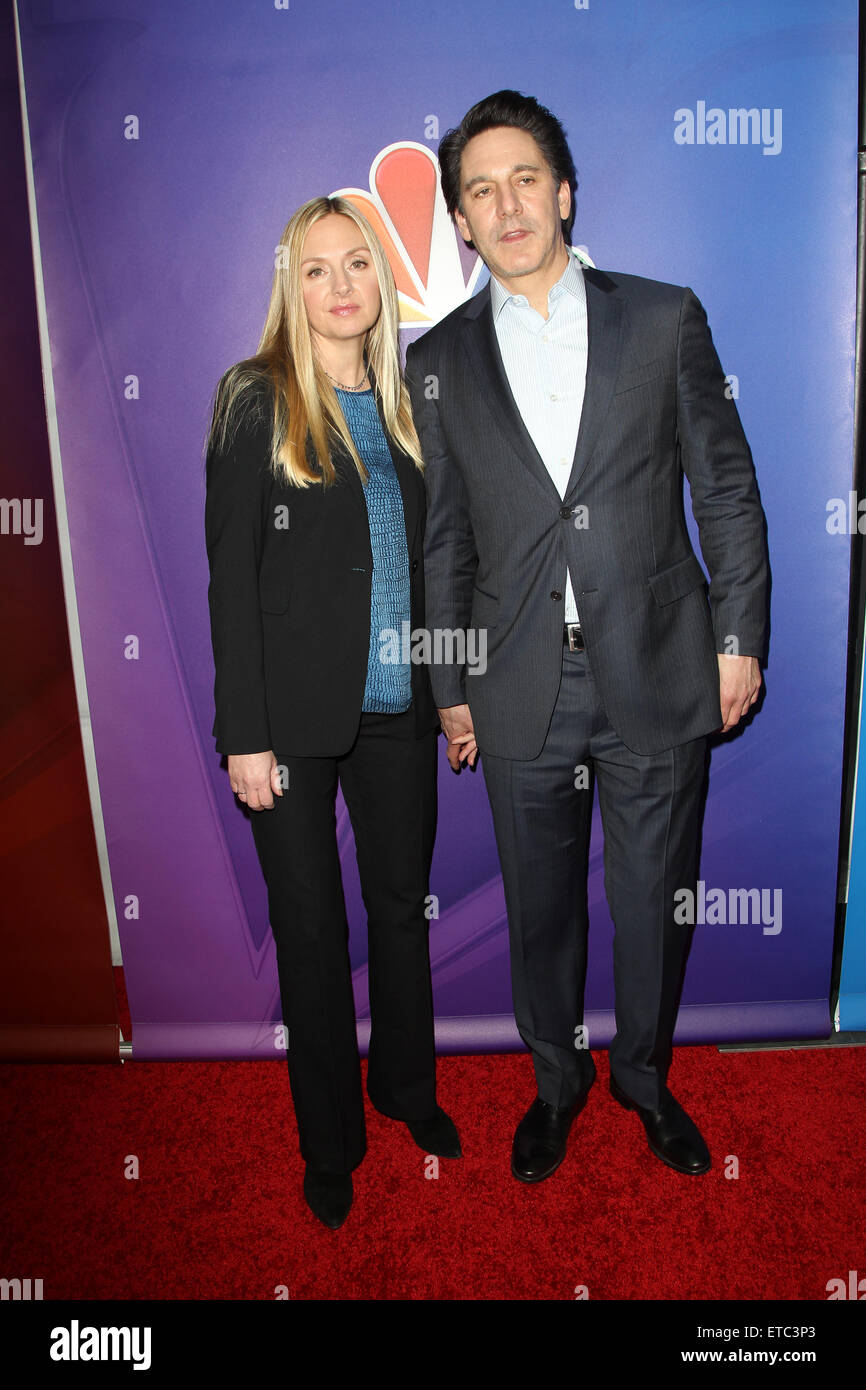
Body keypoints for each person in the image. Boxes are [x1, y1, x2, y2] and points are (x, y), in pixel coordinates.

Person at [405, 91, 769, 1183]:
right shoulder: (437, 360)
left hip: (660, 665)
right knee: (540, 912)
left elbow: (725, 489)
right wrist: (448, 686)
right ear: (460, 222)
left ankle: (645, 1080)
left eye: (525, 179)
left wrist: (738, 637)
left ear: (563, 193)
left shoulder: (661, 318)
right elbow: (443, 539)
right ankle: (555, 1085)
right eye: (481, 190)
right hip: (517, 683)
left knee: (655, 902)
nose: (506, 204)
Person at [205, 196, 461, 1229]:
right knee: (311, 931)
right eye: (316, 269)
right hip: (290, 725)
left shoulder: (406, 405)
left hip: (400, 709)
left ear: (381, 279)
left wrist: (451, 693)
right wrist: (244, 735)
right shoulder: (255, 398)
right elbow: (231, 581)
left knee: (401, 910)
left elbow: (432, 568)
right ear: (291, 286)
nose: (340, 285)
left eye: (356, 263)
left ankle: (405, 1088)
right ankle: (330, 1143)